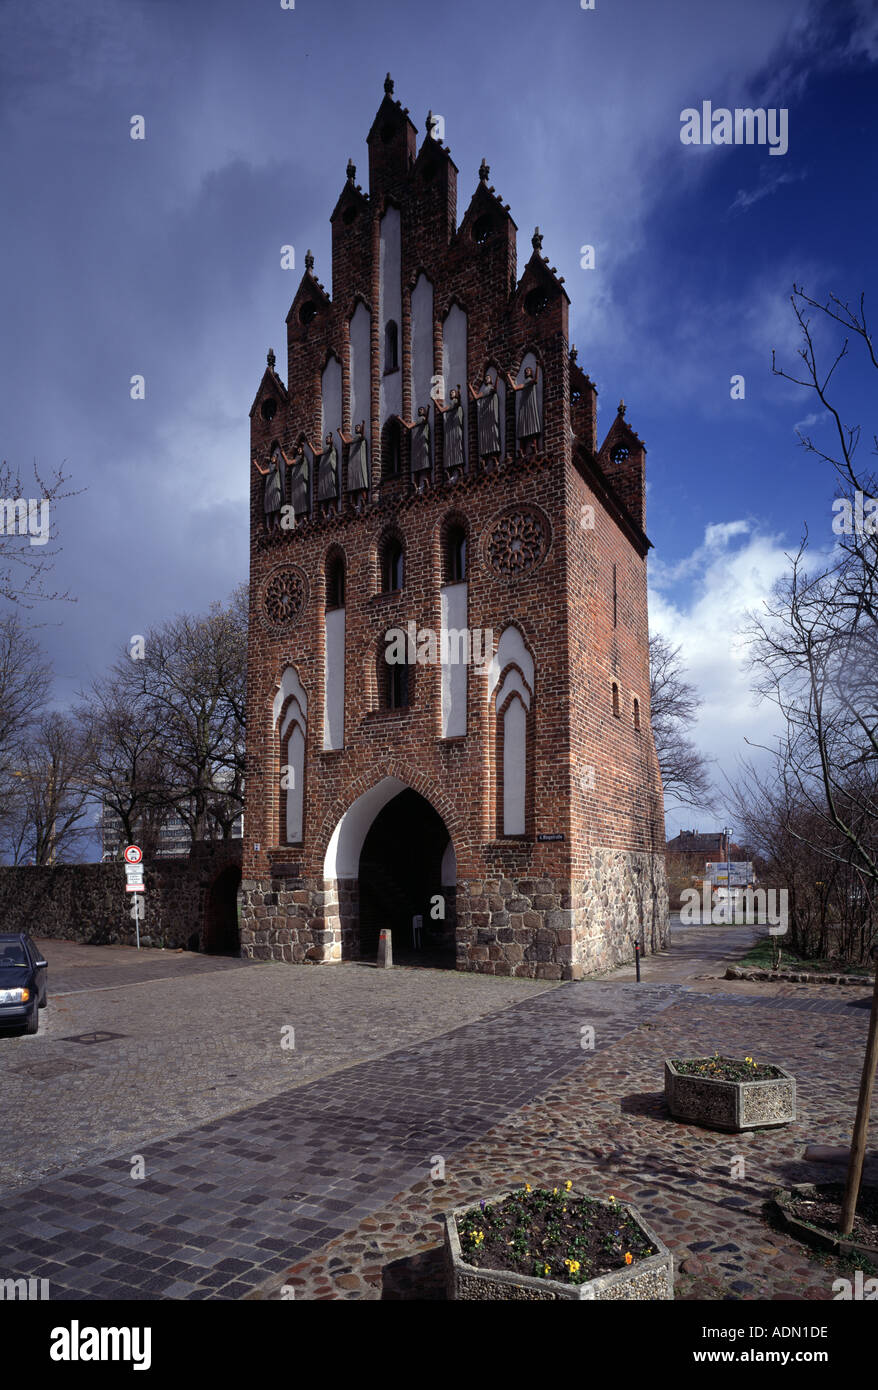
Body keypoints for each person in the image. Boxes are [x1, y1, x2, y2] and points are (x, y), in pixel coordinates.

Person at [505, 363, 542, 455]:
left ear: (531, 372)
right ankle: (522, 449)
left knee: (532, 424)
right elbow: (514, 387)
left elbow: (536, 380)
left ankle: (534, 445)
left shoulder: (531, 381)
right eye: (525, 371)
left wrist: (537, 366)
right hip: (524, 405)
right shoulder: (525, 383)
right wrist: (508, 376)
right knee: (523, 426)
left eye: (528, 371)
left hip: (531, 405)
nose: (526, 372)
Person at [396, 405, 432, 491]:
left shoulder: (423, 420)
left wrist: (429, 409)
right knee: (416, 466)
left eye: (422, 409)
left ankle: (426, 481)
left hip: (422, 445)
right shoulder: (418, 422)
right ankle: (417, 484)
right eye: (419, 409)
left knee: (425, 463)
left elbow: (409, 426)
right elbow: (409, 426)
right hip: (417, 446)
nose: (420, 411)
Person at [469, 372, 501, 466]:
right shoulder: (484, 391)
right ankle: (485, 457)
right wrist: (470, 386)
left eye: (488, 377)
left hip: (491, 415)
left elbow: (495, 389)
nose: (486, 379)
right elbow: (475, 397)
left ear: (491, 380)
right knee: (484, 435)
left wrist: (497, 379)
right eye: (485, 378)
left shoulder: (491, 388)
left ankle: (495, 455)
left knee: (492, 432)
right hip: (484, 416)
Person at [252, 444, 285, 532]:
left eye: (274, 458)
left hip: (275, 487)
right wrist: (256, 464)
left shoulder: (275, 467)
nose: (272, 459)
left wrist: (278, 457)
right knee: (269, 507)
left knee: (276, 505)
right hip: (269, 489)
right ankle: (268, 525)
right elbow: (262, 472)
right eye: (272, 458)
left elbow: (277, 467)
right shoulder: (270, 467)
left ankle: (276, 523)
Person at [434, 386, 465, 480]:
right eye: (450, 392)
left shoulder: (456, 403)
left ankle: (459, 466)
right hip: (449, 430)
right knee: (449, 448)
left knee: (457, 444)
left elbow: (459, 402)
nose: (451, 393)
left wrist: (459, 390)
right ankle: (450, 469)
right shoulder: (450, 405)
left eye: (453, 392)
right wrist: (435, 401)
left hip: (456, 428)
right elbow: (442, 410)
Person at [338, 421, 369, 512]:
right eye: (356, 428)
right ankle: (355, 504)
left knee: (361, 482)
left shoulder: (361, 438)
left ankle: (364, 500)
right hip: (352, 463)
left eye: (358, 427)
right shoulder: (353, 440)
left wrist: (363, 424)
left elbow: (363, 435)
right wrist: (339, 432)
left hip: (359, 462)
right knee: (353, 485)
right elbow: (345, 441)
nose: (356, 428)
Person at [306, 431, 339, 518]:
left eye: (328, 438)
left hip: (329, 472)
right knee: (323, 492)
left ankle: (333, 509)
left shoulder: (331, 448)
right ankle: (325, 510)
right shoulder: (324, 450)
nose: (326, 439)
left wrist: (332, 438)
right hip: (323, 473)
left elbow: (331, 447)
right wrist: (310, 445)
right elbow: (316, 454)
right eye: (326, 438)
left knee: (331, 490)